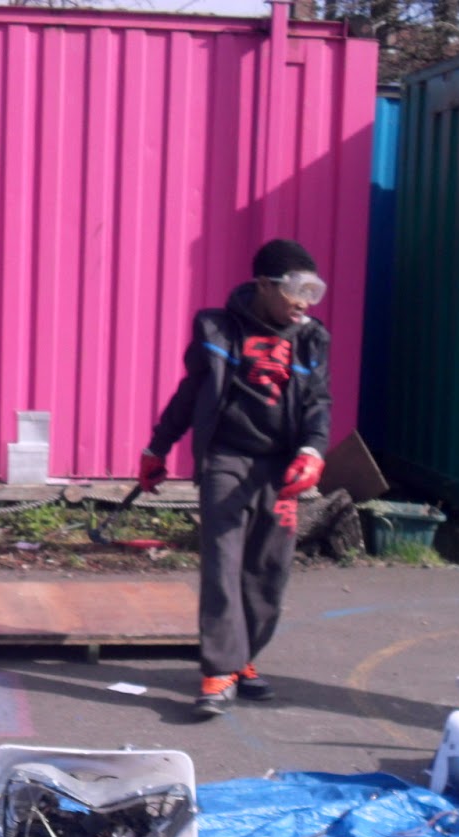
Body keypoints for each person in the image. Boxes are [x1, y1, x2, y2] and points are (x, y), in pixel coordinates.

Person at [139, 238, 332, 718]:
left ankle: (243, 656)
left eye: (313, 291)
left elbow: (318, 402)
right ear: (264, 285)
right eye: (295, 290)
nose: (303, 302)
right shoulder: (217, 328)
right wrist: (157, 447)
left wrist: (313, 450)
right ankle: (219, 670)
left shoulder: (311, 337)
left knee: (269, 569)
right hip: (227, 459)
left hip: (283, 468)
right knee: (223, 562)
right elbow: (191, 393)